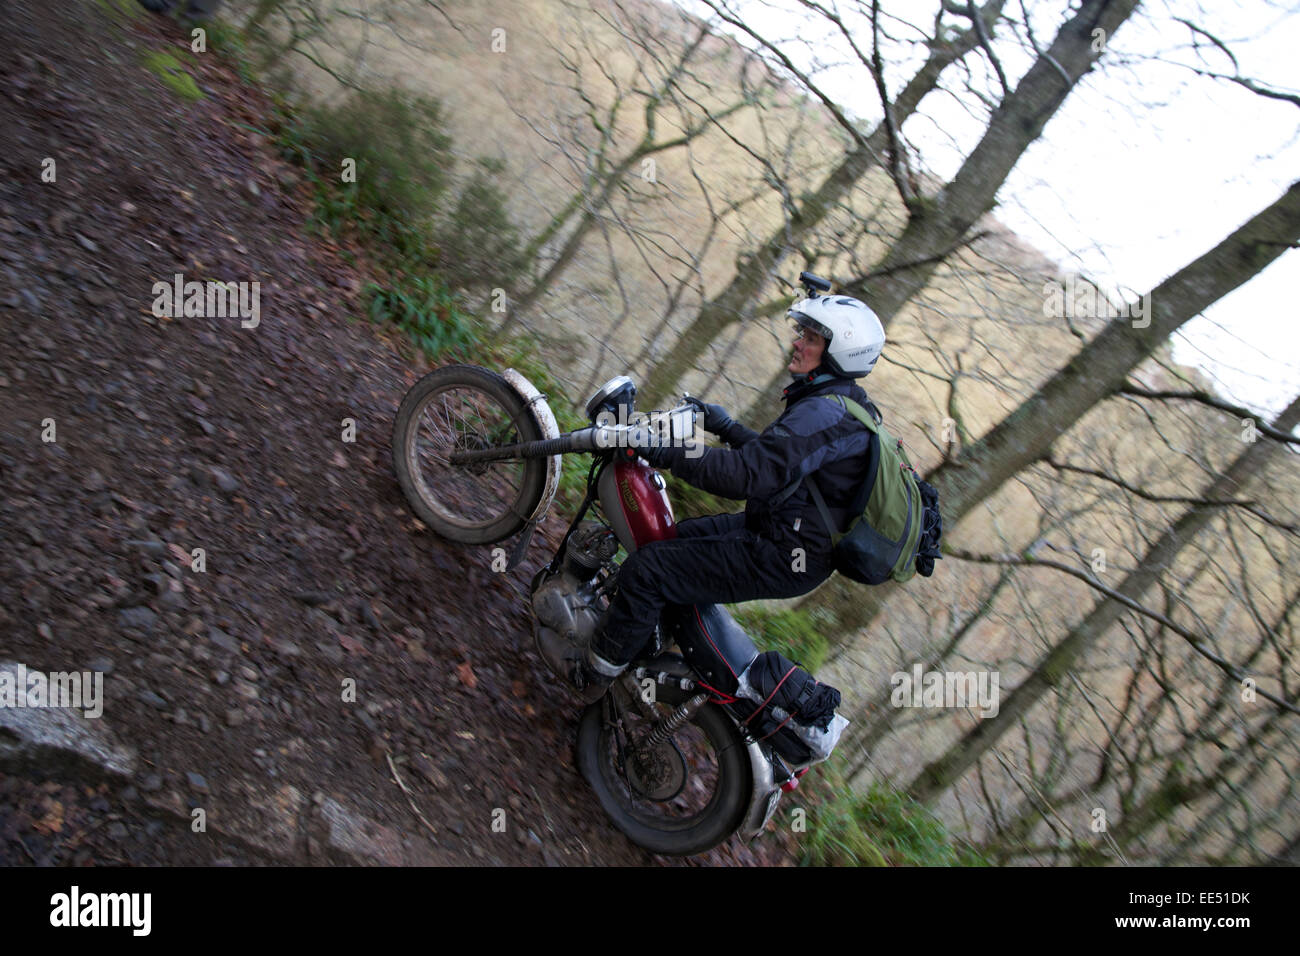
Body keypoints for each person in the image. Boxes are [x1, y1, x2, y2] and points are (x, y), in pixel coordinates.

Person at [569, 291, 888, 701]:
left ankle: (594, 675)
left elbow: (743, 477)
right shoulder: (837, 405)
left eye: (810, 338)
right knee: (670, 543)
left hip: (783, 553)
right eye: (802, 333)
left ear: (838, 352)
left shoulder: (824, 412)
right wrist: (727, 426)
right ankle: (643, 647)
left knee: (648, 571)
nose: (797, 343)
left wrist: (659, 449)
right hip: (778, 529)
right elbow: (780, 463)